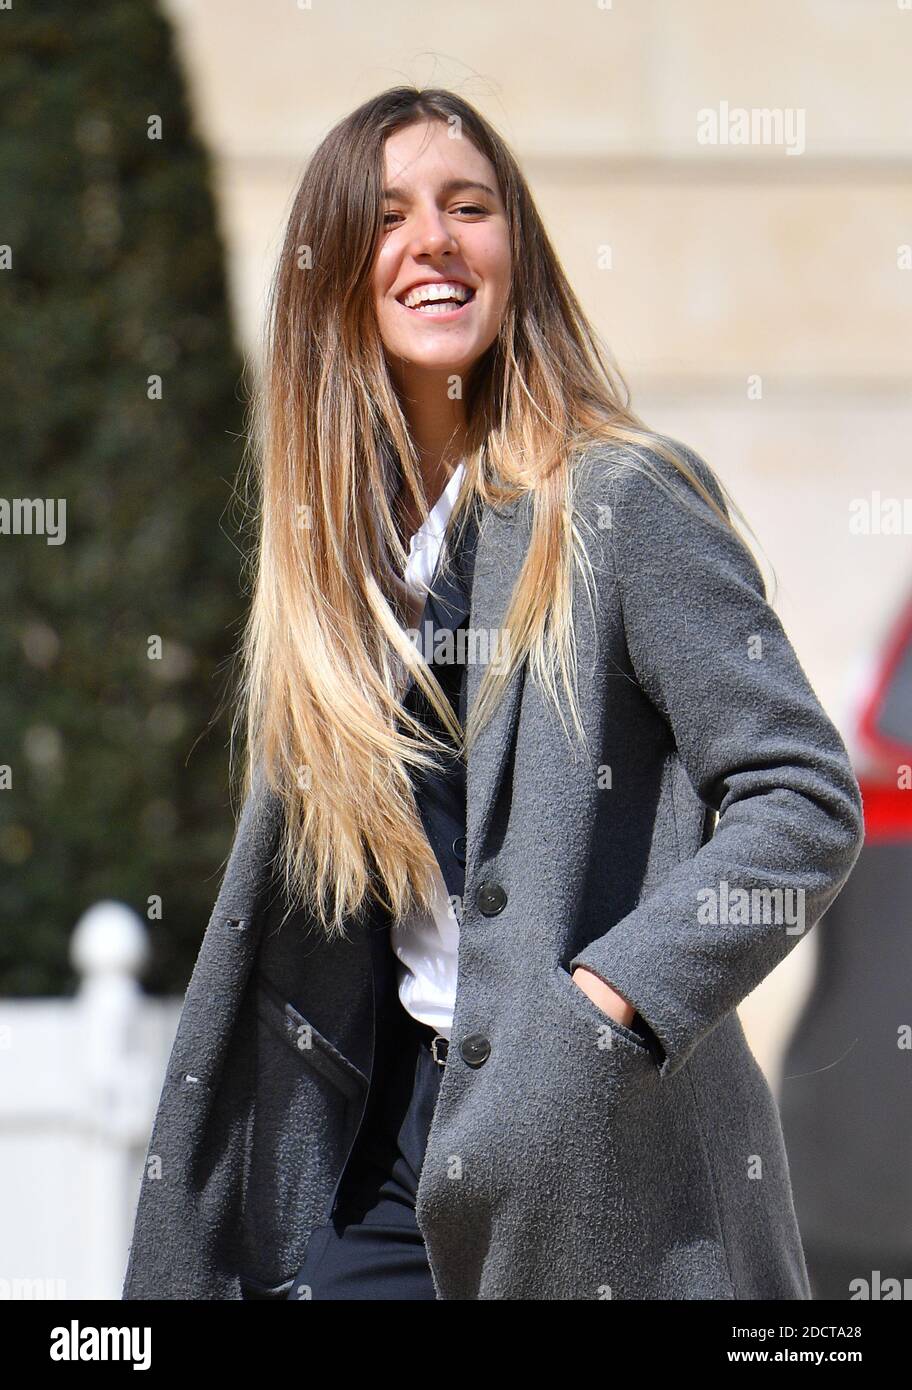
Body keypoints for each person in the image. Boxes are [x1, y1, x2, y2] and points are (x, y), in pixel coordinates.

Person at [122, 86, 865, 1301]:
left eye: (471, 207)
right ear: (335, 274)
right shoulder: (334, 572)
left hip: (598, 1153)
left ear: (515, 251)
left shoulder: (621, 503)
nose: (437, 242)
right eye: (392, 216)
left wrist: (606, 1009)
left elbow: (803, 799)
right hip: (382, 1151)